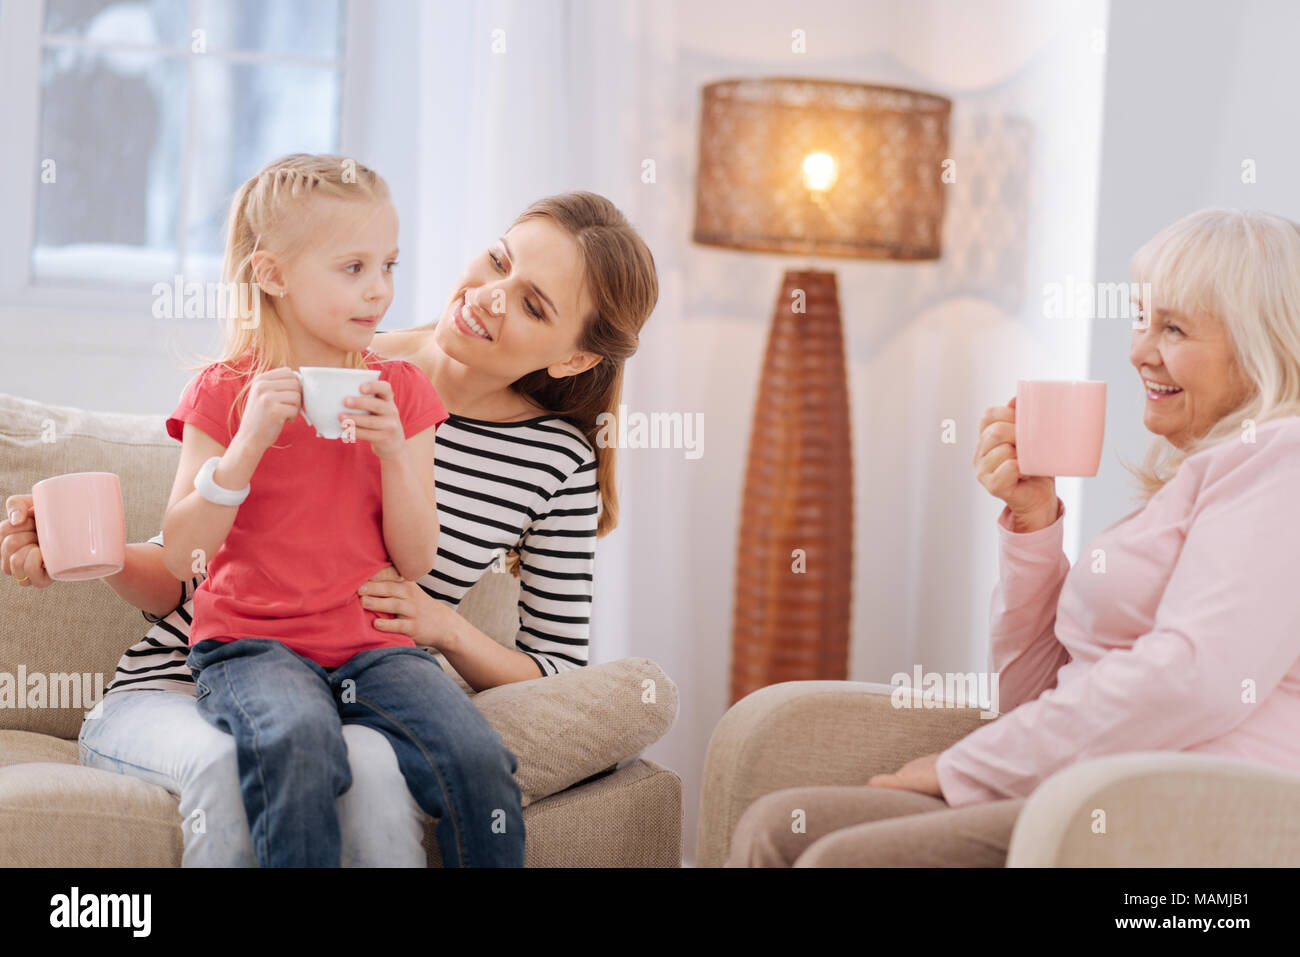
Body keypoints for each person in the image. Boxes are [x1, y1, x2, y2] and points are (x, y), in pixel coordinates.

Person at [1, 165, 660, 867]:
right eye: (498, 260)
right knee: (285, 752)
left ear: (576, 356)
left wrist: (445, 627)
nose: (489, 298)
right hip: (203, 667)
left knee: (378, 773)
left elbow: (557, 664)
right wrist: (88, 548)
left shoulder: (540, 455)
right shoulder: (315, 355)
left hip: (358, 670)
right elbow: (186, 562)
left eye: (533, 304)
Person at [726, 208, 1300, 867]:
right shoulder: (1187, 483)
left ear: (1261, 346)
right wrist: (1033, 521)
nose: (1140, 351)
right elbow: (1029, 696)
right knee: (777, 828)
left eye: (1173, 327)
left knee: (840, 859)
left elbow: (1197, 677)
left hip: (1180, 815)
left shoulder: (1282, 458)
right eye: (1141, 319)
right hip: (1089, 789)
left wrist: (969, 766)